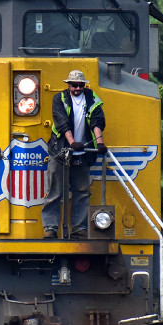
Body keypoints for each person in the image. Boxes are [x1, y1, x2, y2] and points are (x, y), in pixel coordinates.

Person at [41, 70, 107, 239]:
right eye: (74, 85)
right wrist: (72, 143)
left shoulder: (92, 99)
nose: (77, 88)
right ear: (68, 85)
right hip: (60, 151)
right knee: (54, 190)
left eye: (80, 85)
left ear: (84, 85)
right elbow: (61, 122)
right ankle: (50, 227)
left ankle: (79, 228)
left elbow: (97, 122)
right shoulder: (59, 99)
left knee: (82, 190)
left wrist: (99, 143)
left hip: (83, 153)